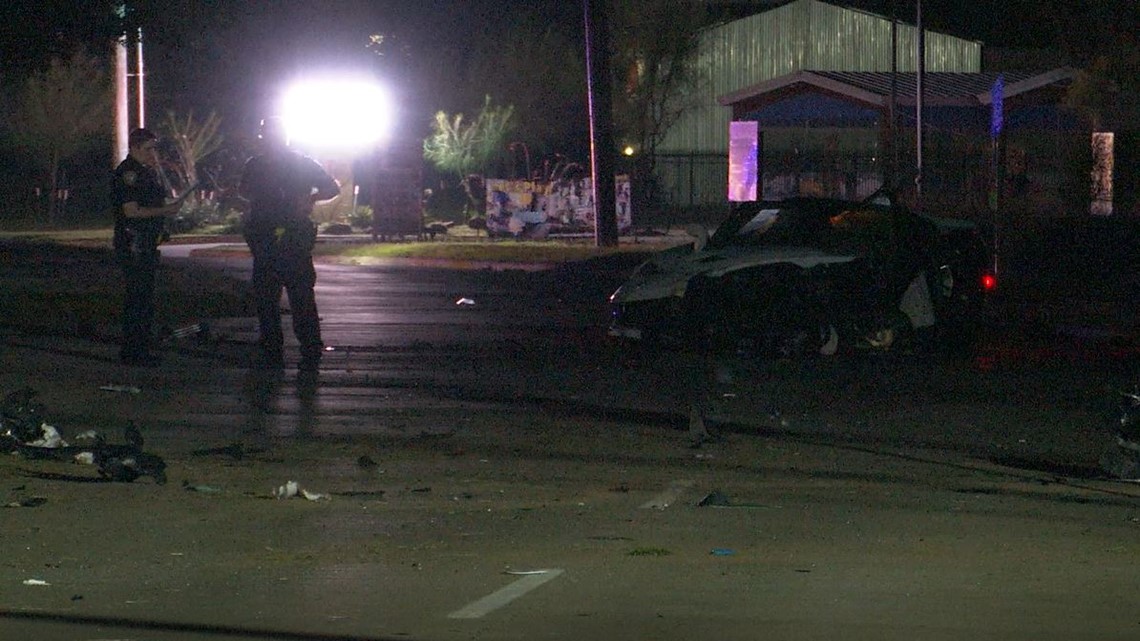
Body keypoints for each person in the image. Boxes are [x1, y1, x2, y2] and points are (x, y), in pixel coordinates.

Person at [239, 117, 340, 371]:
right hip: (268, 237)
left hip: (291, 237)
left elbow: (331, 187)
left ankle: (302, 347)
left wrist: (309, 199)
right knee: (274, 297)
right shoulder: (257, 164)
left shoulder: (299, 163)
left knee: (296, 295)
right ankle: (284, 347)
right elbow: (244, 193)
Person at [111, 128, 182, 366]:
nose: (153, 153)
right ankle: (134, 352)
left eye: (154, 148)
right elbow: (131, 211)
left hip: (145, 242)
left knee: (144, 298)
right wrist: (165, 211)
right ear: (135, 148)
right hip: (134, 243)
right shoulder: (128, 173)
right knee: (138, 298)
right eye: (148, 149)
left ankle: (140, 348)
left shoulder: (145, 172)